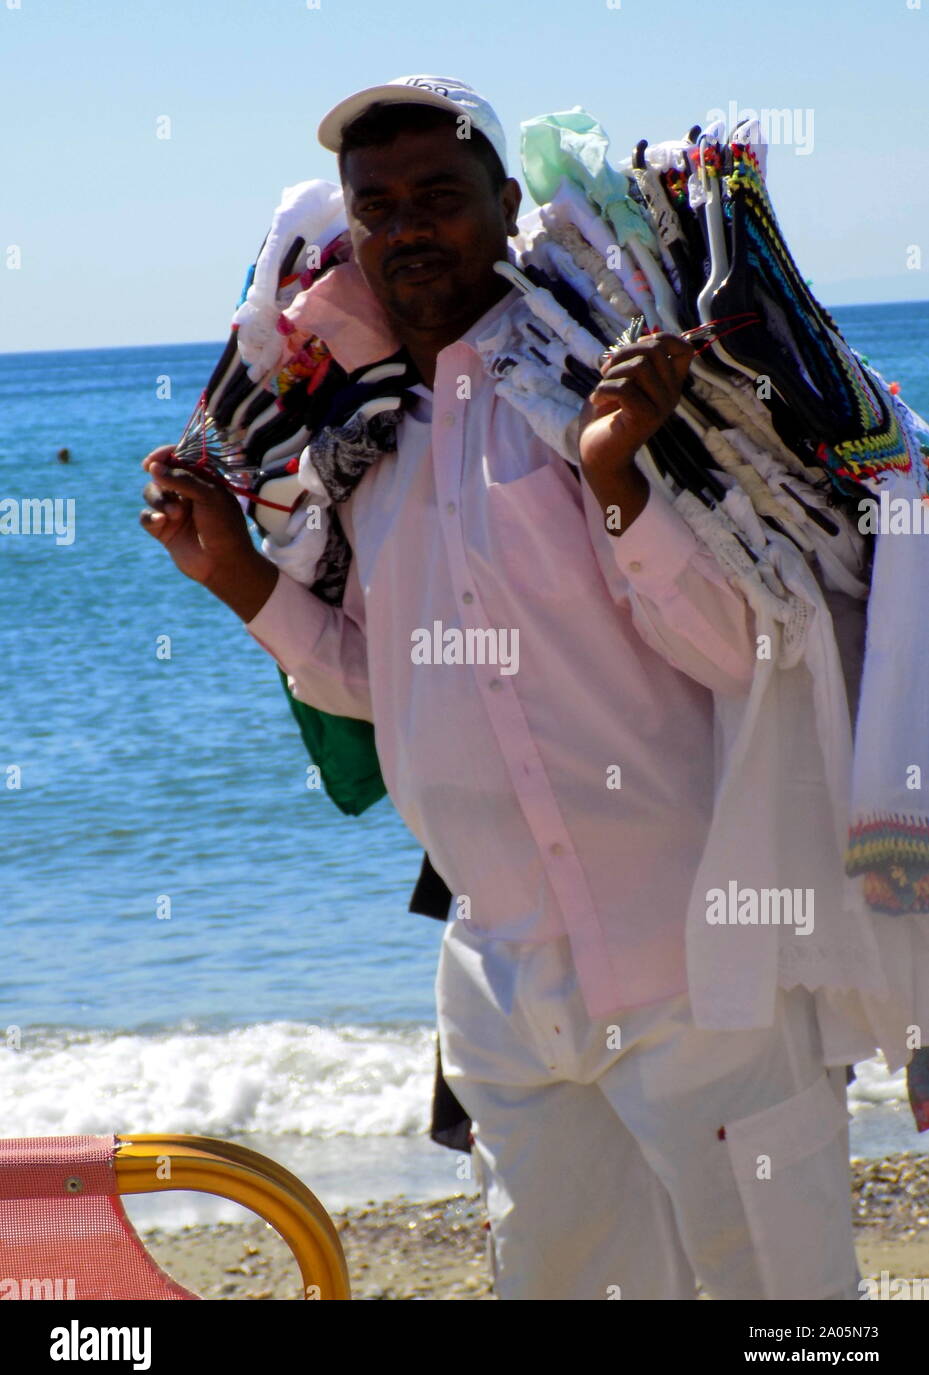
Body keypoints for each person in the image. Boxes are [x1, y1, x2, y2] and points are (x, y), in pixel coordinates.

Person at [139, 76, 860, 1301]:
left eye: (439, 196)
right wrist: (233, 580)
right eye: (379, 206)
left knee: (779, 1302)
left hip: (701, 964)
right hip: (503, 979)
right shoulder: (362, 440)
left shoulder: (591, 378)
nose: (409, 227)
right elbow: (382, 684)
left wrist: (612, 477)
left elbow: (740, 647)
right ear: (351, 228)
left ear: (504, 203)